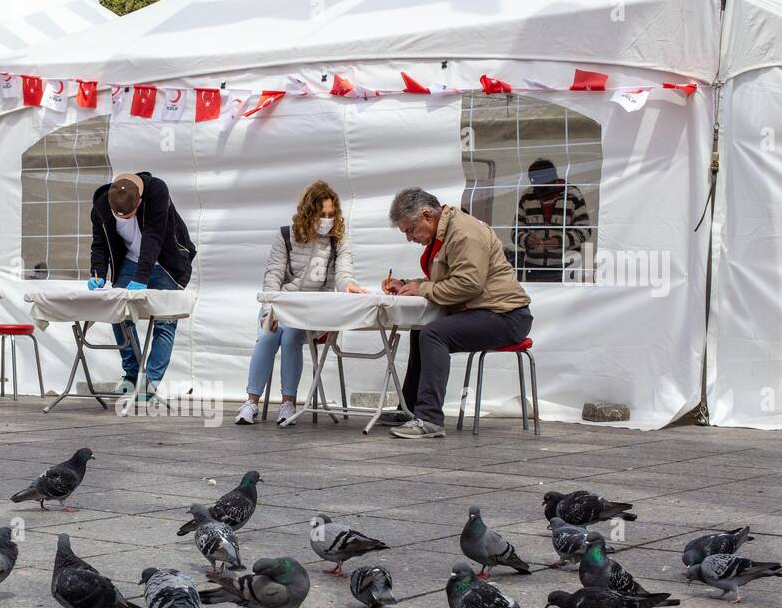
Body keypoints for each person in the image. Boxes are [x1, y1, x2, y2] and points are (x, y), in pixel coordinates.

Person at [382, 188, 533, 439]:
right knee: (421, 331)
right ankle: (409, 410)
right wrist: (408, 284)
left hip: (506, 315)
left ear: (427, 216)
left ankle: (430, 419)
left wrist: (423, 288)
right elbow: (449, 279)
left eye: (409, 229)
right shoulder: (447, 230)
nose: (409, 238)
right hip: (487, 311)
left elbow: (468, 284)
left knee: (433, 334)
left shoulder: (464, 233)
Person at [235, 180, 366, 426]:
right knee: (267, 336)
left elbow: (344, 273)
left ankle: (288, 403)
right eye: (322, 214)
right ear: (309, 213)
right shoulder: (286, 236)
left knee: (291, 337)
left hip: (317, 313)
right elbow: (273, 276)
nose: (327, 219)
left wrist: (349, 285)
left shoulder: (339, 241)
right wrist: (268, 311)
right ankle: (251, 402)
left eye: (331, 214)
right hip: (283, 306)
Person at [88, 171, 196, 399]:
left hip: (166, 262)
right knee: (118, 313)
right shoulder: (101, 205)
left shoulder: (157, 191)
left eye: (129, 214)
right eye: (120, 216)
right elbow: (99, 243)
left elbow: (154, 238)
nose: (124, 219)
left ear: (139, 201)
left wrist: (141, 278)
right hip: (130, 261)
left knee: (165, 321)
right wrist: (97, 272)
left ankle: (150, 382)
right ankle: (132, 373)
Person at [515, 158, 591, 281]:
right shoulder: (527, 196)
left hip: (567, 266)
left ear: (555, 178)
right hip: (534, 268)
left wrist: (560, 241)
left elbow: (585, 230)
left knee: (567, 300)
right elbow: (515, 231)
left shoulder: (572, 195)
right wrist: (527, 240)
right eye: (536, 186)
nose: (539, 192)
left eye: (544, 186)